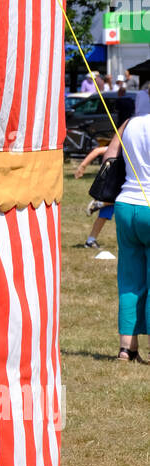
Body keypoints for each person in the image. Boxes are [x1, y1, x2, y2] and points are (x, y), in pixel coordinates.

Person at [108, 111, 150, 362]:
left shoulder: (130, 123)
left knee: (129, 278)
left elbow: (109, 155)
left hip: (126, 204)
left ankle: (127, 348)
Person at [73, 144, 114, 247]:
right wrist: (82, 166)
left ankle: (90, 241)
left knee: (105, 213)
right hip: (111, 181)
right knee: (126, 201)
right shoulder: (121, 144)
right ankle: (100, 203)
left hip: (113, 181)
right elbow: (97, 151)